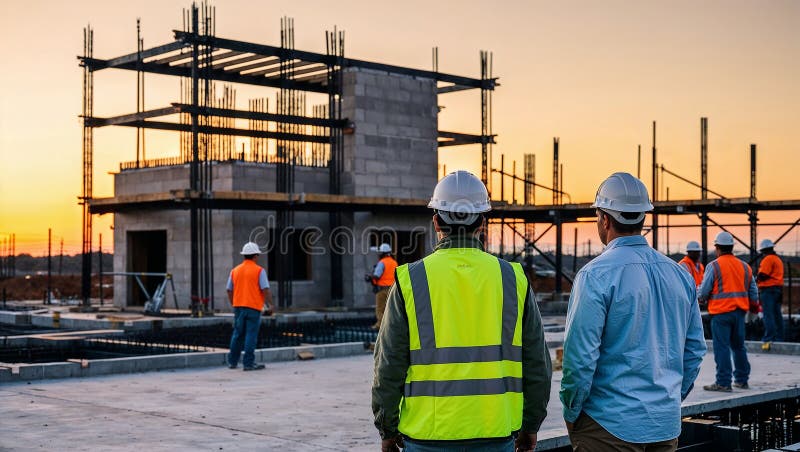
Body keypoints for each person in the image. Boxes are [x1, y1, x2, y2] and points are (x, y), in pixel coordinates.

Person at [372, 170, 552, 452]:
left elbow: (388, 365)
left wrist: (387, 428)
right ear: (482, 222)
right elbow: (537, 364)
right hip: (496, 433)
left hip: (427, 437)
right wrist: (530, 426)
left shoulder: (411, 280)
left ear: (435, 222)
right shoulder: (513, 279)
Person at [560, 172, 706, 451]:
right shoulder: (680, 275)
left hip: (607, 426)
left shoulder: (595, 275)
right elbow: (695, 350)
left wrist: (571, 412)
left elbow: (579, 359)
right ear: (643, 218)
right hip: (664, 427)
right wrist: (668, 400)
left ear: (604, 219)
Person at [698, 231, 758, 391]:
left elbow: (703, 291)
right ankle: (742, 380)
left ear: (717, 247)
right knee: (739, 346)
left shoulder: (714, 266)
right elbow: (753, 292)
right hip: (739, 313)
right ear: (732, 247)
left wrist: (700, 299)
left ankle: (723, 382)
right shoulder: (745, 267)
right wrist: (754, 310)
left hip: (721, 313)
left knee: (722, 347)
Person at [226, 241, 275, 371]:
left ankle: (232, 362)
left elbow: (229, 290)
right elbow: (265, 289)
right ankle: (248, 363)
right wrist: (270, 305)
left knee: (237, 334)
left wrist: (233, 303)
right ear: (255, 256)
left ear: (244, 255)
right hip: (253, 308)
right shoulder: (259, 270)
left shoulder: (235, 271)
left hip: (238, 307)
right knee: (250, 335)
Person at [757, 239, 784, 350]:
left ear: (764, 250)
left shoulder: (768, 259)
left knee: (768, 315)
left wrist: (756, 279)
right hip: (778, 289)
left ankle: (768, 338)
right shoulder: (778, 259)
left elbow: (763, 275)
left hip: (768, 290)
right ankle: (779, 338)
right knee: (777, 315)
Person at [369, 243, 398, 330]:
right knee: (389, 309)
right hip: (392, 289)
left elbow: (377, 275)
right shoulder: (394, 262)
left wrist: (370, 277)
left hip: (382, 290)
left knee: (380, 309)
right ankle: (391, 326)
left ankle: (380, 326)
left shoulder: (382, 263)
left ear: (382, 253)